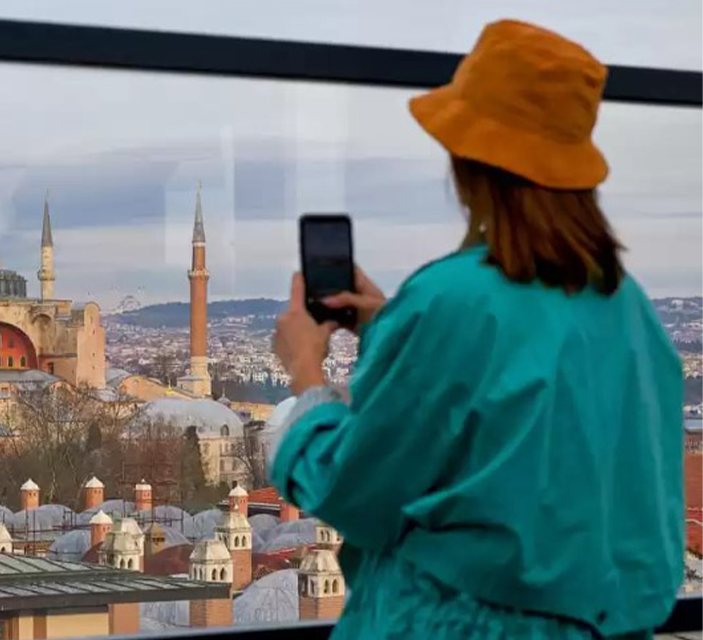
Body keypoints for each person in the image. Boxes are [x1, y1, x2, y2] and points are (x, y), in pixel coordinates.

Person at [269, 19, 684, 640]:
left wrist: (306, 375)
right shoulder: (629, 308)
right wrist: (392, 328)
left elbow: (353, 488)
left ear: (469, 163)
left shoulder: (449, 300)